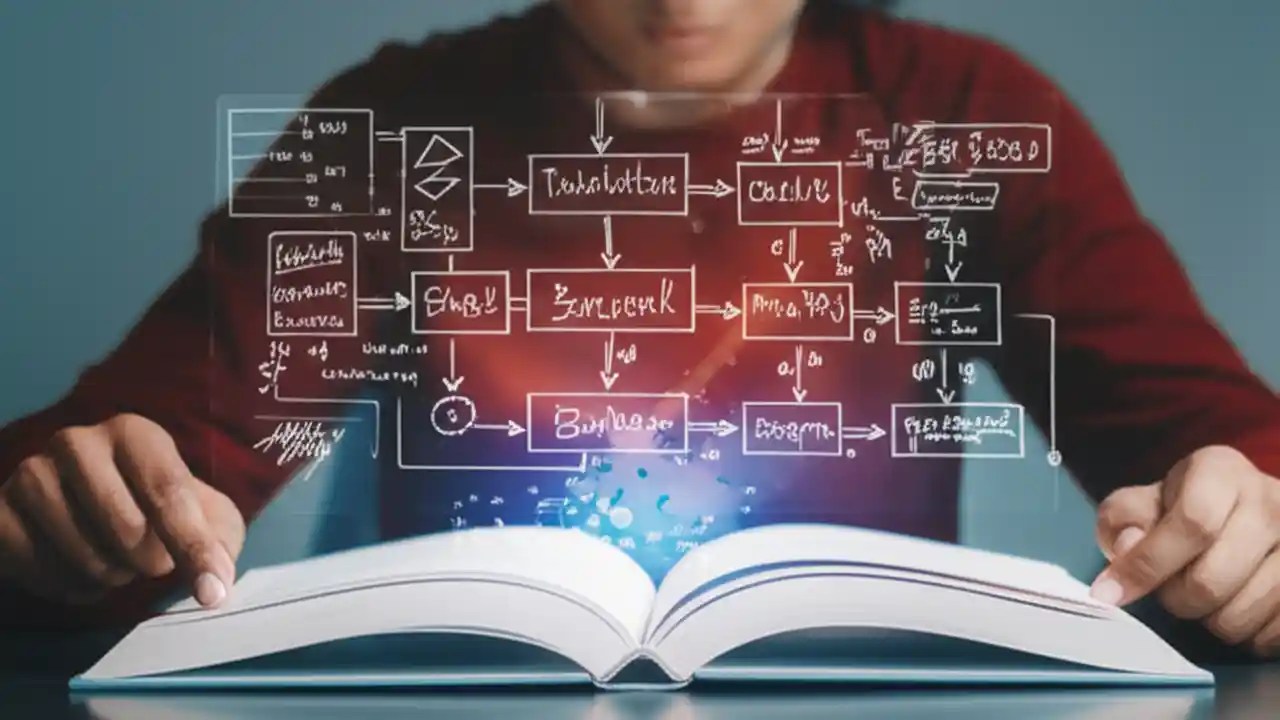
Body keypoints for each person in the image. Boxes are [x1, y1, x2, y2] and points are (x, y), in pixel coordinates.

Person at [1, 0, 1278, 658]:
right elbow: (116, 463)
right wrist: (62, 523)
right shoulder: (395, 126)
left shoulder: (960, 114)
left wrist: (1250, 534)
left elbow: (1226, 452)